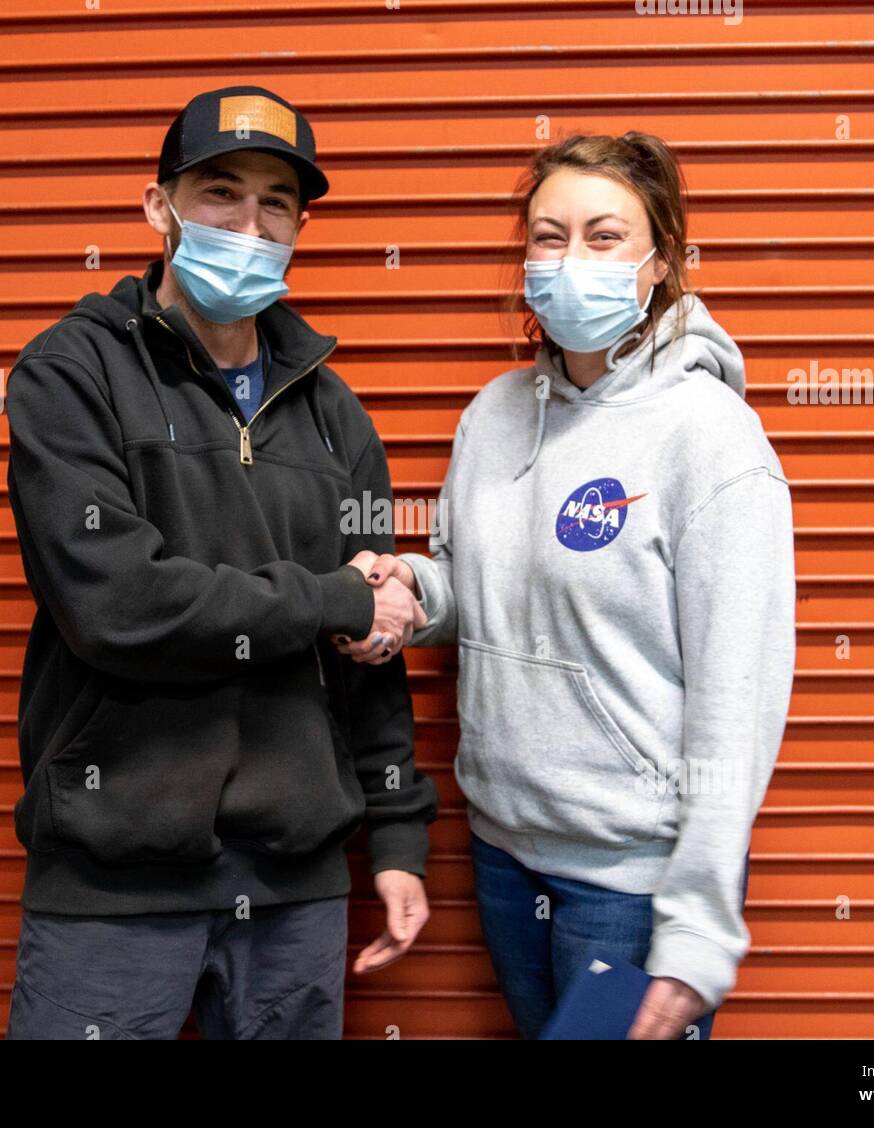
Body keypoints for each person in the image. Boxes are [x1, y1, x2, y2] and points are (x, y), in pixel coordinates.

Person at [336, 132, 796, 1039]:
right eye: (550, 237)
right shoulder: (495, 415)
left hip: (634, 883)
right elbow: (477, 583)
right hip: (504, 854)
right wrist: (410, 590)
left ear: (660, 261)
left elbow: (736, 702)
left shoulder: (711, 438)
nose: (571, 258)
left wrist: (700, 925)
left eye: (604, 235)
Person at [2, 85, 437, 1040]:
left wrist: (397, 835)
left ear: (299, 228)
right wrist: (334, 600)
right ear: (158, 206)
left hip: (295, 892)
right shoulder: (71, 373)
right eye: (220, 192)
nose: (248, 224)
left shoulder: (339, 416)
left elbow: (374, 643)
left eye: (275, 202)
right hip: (113, 889)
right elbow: (118, 604)